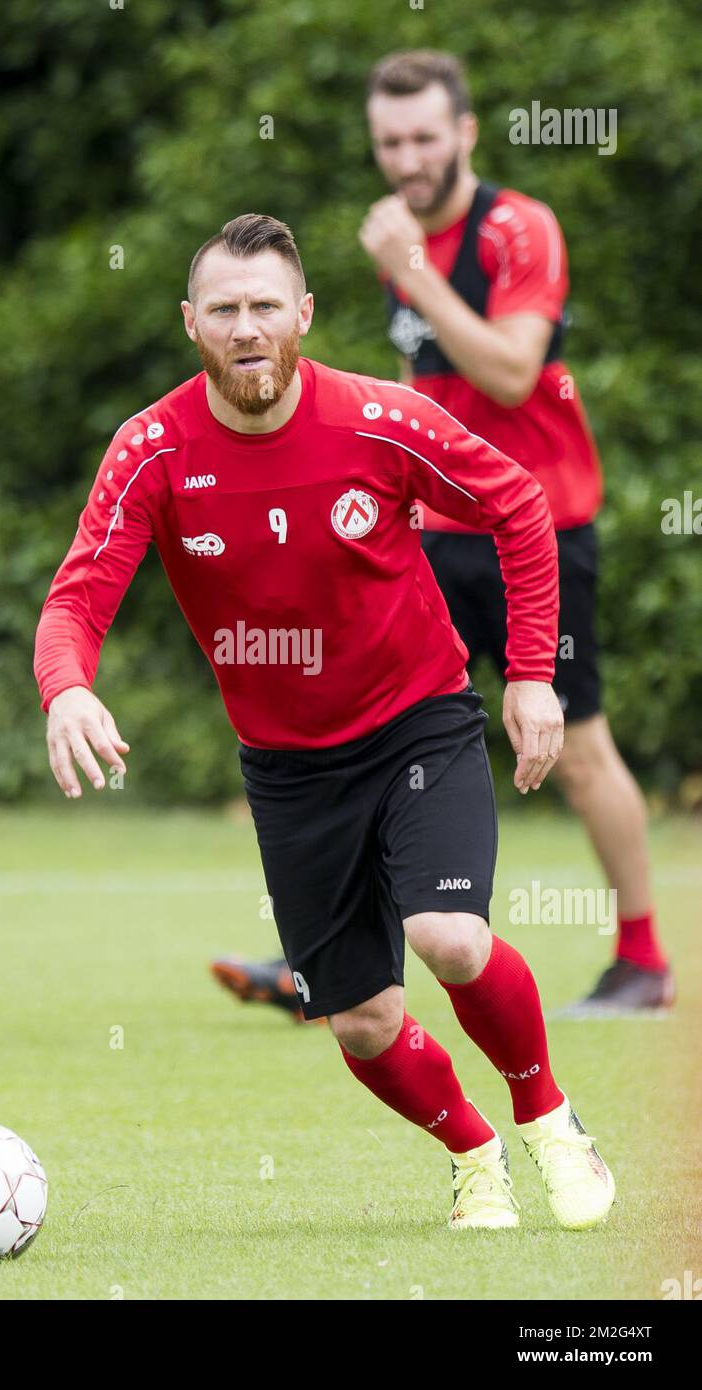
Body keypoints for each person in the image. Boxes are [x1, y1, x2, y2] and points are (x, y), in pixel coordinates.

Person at [34, 213, 615, 1230]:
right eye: (225, 309)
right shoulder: (154, 449)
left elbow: (520, 504)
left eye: (266, 306)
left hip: (418, 724)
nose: (247, 327)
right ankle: (475, 1154)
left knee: (449, 936)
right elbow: (77, 598)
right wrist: (68, 686)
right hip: (292, 769)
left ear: (304, 313)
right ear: (191, 323)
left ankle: (549, 1117)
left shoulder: (380, 421)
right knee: (360, 1021)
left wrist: (532, 677)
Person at [212, 50, 672, 1020]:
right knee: (370, 729)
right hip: (426, 529)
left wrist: (414, 271)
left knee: (579, 745)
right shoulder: (398, 240)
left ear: (465, 133)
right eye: (389, 141)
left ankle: (642, 960)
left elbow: (509, 371)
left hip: (533, 521)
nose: (408, 158)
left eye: (425, 137)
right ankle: (338, 962)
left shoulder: (516, 229)